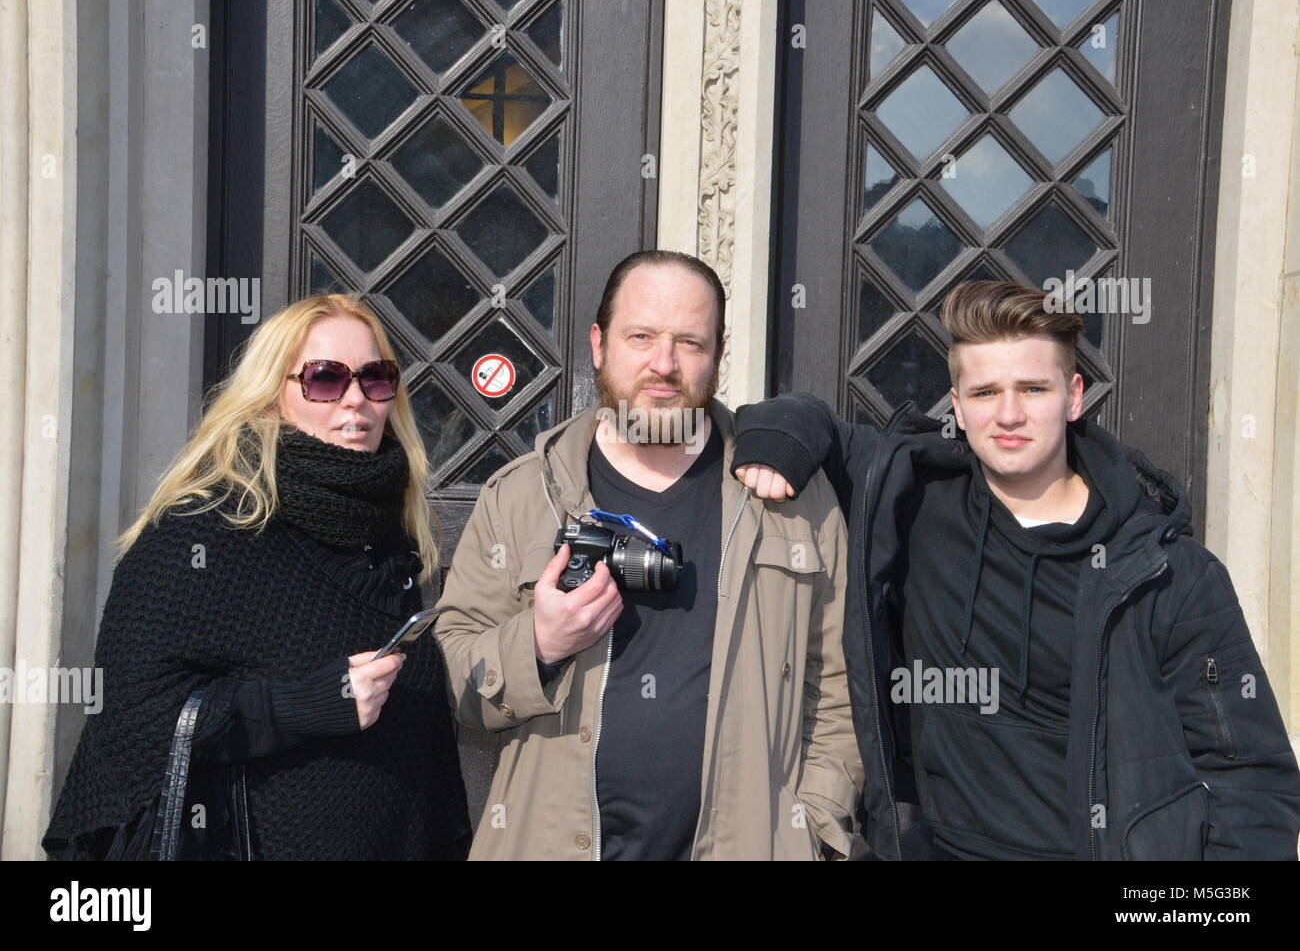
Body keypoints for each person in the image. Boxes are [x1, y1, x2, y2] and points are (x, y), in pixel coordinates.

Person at [731, 280, 1300, 860]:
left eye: (1033, 388)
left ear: (1073, 397)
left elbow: (1250, 775)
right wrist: (776, 443)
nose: (1008, 415)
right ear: (956, 406)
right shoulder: (911, 501)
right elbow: (799, 416)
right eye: (984, 393)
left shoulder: (1167, 571)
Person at [435, 250, 861, 860]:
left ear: (718, 353)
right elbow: (452, 677)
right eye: (642, 336)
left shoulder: (789, 495)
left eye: (690, 342)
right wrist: (538, 646)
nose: (664, 365)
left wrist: (814, 830)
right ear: (599, 343)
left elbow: (840, 683)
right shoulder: (525, 493)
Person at [42, 294, 471, 860]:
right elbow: (132, 719)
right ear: (272, 395)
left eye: (375, 377)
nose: (355, 401)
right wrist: (306, 704)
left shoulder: (391, 532)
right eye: (324, 380)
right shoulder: (202, 531)